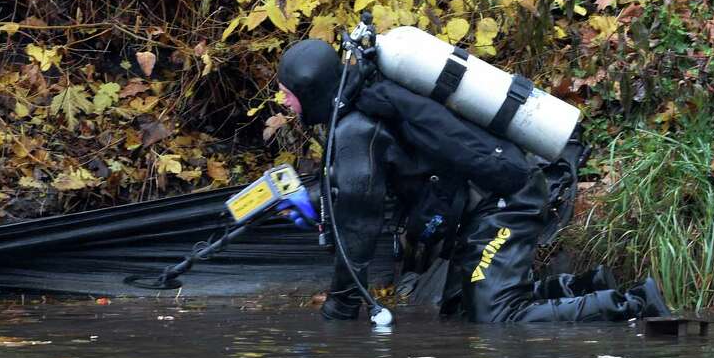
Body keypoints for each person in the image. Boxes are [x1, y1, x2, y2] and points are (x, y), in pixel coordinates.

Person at [277, 37, 671, 322]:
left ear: (312, 91)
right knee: (461, 314)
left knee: (498, 318)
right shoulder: (368, 104)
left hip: (505, 199)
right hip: (482, 202)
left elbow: (359, 230)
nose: (283, 102)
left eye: (287, 93)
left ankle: (634, 304)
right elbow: (366, 195)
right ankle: (591, 288)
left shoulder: (357, 128)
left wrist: (339, 311)